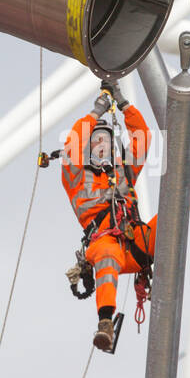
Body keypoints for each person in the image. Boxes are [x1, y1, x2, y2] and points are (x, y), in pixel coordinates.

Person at [60, 82, 156, 351]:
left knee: (173, 215)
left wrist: (123, 103)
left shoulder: (124, 171)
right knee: (106, 256)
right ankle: (106, 323)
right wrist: (95, 113)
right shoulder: (77, 178)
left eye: (107, 140)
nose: (102, 144)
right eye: (96, 141)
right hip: (105, 243)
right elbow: (71, 149)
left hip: (135, 242)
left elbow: (143, 137)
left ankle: (168, 286)